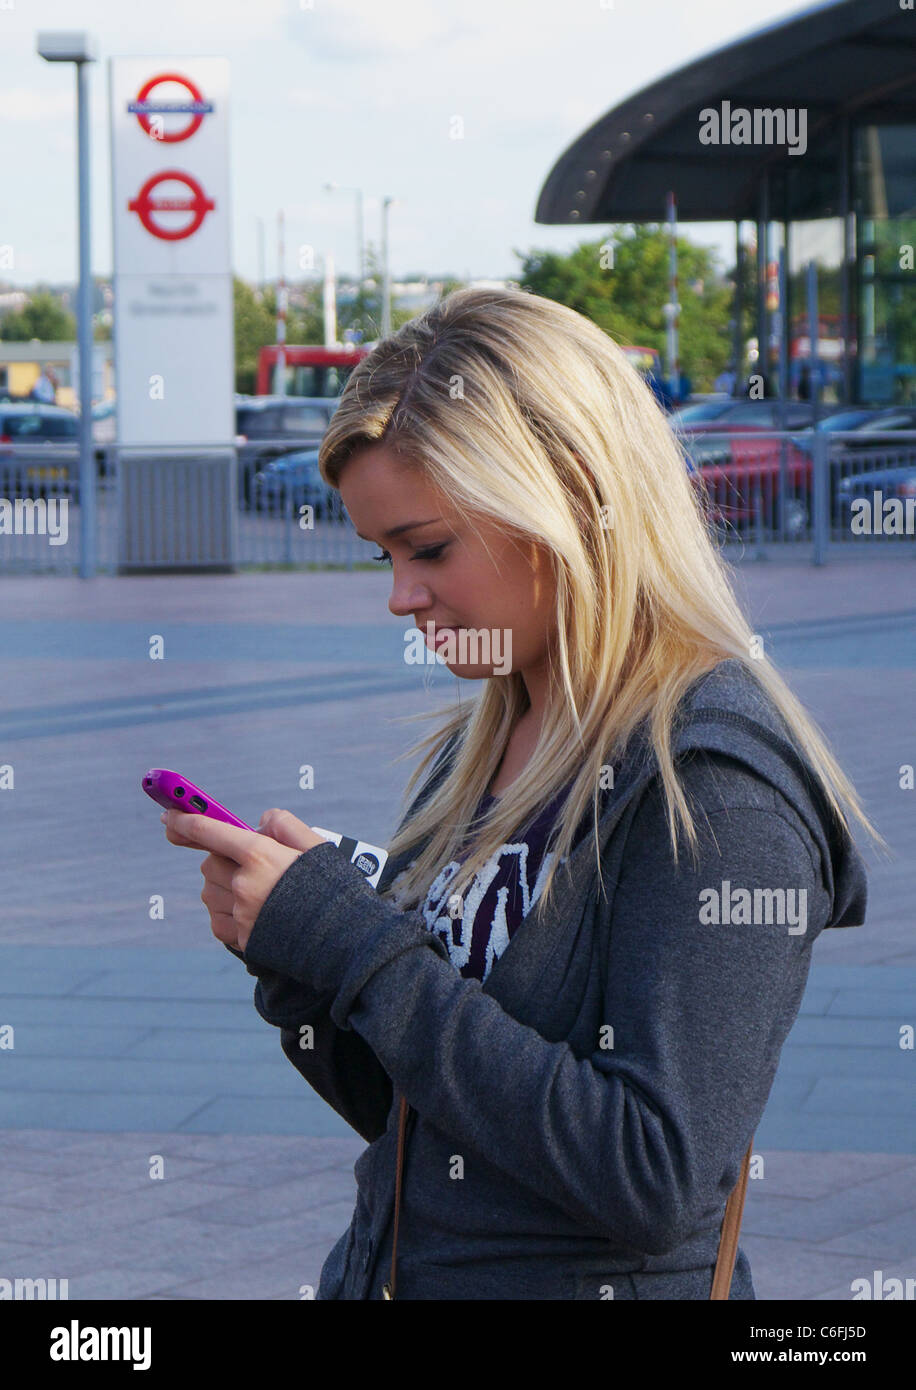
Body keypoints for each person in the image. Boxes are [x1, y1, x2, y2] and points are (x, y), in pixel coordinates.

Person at [174, 286, 882, 1301]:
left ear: (567, 497)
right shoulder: (481, 741)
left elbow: (652, 1176)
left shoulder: (713, 785)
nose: (399, 595)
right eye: (384, 554)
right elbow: (432, 1117)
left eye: (429, 547)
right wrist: (297, 959)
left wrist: (355, 945)